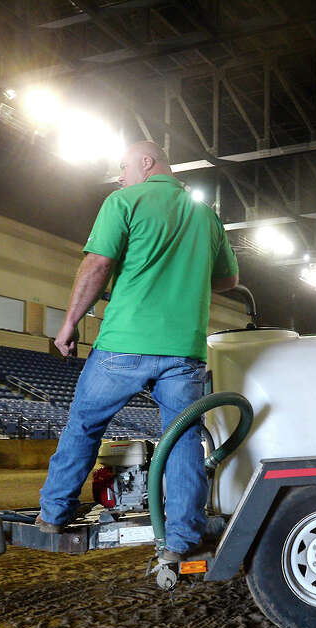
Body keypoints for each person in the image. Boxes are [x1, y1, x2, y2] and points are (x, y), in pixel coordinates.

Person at [36, 140, 239, 564]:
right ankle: (181, 539)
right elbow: (228, 281)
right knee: (184, 439)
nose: (120, 176)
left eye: (124, 167)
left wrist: (70, 324)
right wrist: (188, 266)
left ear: (147, 162)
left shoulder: (123, 201)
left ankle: (54, 513)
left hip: (124, 345)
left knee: (85, 426)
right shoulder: (204, 215)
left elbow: (96, 265)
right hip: (184, 351)